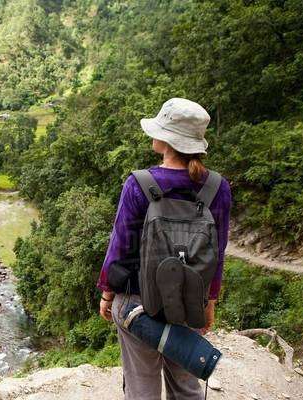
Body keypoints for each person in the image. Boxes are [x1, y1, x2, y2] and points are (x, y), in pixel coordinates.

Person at [97, 98, 231, 399]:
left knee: (141, 388)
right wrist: (210, 302)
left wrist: (107, 294)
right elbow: (218, 252)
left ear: (166, 139)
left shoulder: (139, 183)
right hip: (189, 301)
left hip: (137, 304)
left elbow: (119, 247)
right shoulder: (217, 188)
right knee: (186, 387)